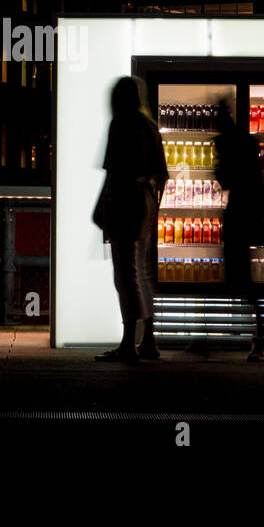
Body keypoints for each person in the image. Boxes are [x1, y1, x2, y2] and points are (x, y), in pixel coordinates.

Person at [93, 75, 168, 363]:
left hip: (124, 200)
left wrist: (102, 206)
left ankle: (128, 343)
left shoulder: (121, 124)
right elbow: (162, 174)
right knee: (143, 273)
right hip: (146, 201)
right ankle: (149, 339)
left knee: (125, 274)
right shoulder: (150, 126)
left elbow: (113, 171)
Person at [213, 100, 264, 361]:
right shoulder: (248, 141)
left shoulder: (228, 144)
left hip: (239, 215)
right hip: (250, 215)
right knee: (242, 279)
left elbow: (225, 180)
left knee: (242, 280)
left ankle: (260, 336)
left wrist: (219, 163)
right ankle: (258, 334)